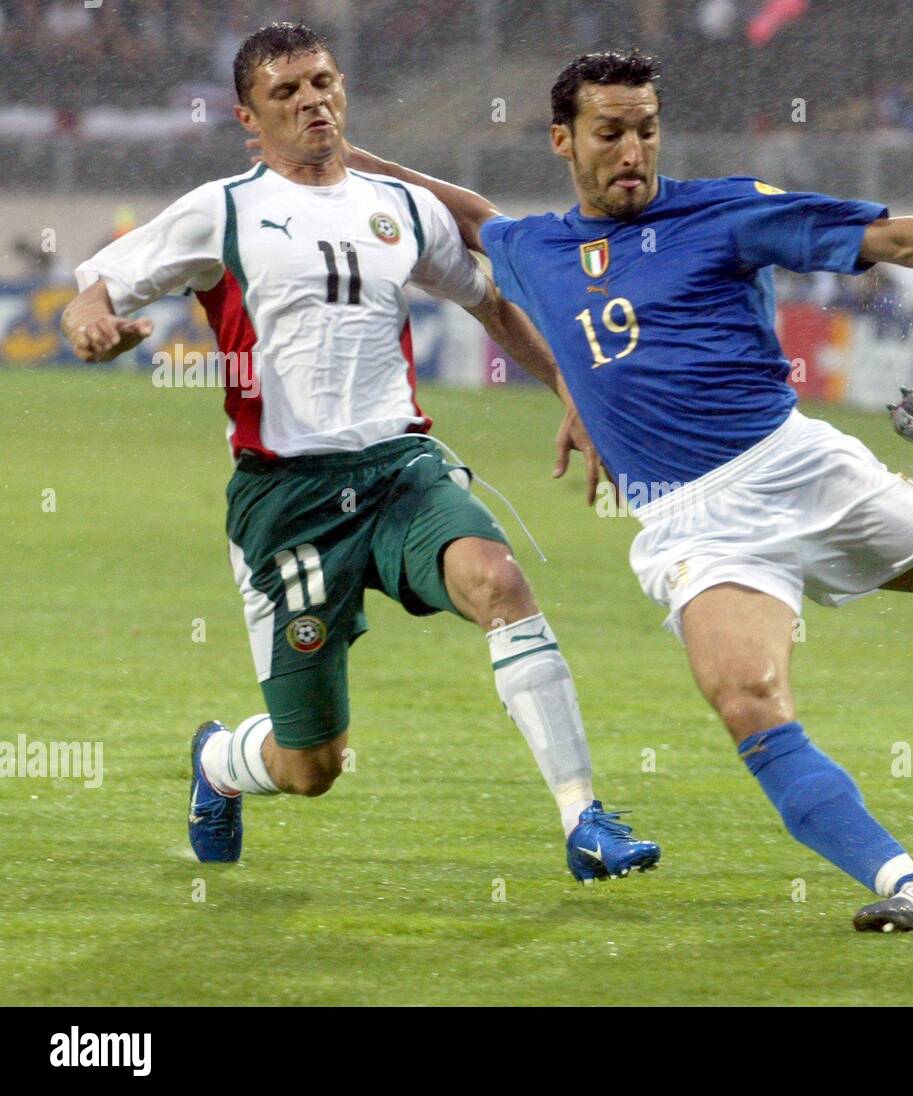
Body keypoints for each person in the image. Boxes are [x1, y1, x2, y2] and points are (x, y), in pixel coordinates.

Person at [346, 49, 913, 933]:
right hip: (695, 526)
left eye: (646, 131)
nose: (632, 153)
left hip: (800, 470)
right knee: (746, 701)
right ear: (562, 141)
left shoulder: (723, 212)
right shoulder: (534, 247)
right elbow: (464, 211)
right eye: (609, 134)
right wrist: (337, 154)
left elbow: (896, 239)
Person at [59, 25, 659, 883]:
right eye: (287, 91)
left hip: (399, 472)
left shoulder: (401, 208)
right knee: (313, 766)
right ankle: (220, 762)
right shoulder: (221, 209)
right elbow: (95, 291)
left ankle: (584, 818)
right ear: (247, 117)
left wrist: (573, 391)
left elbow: (492, 303)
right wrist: (93, 326)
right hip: (287, 500)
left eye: (323, 81)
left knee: (498, 581)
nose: (312, 100)